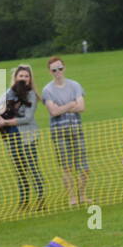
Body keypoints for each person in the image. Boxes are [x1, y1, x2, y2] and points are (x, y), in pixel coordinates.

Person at [42, 56, 90, 207]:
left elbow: (81, 107)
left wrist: (61, 107)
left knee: (83, 165)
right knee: (66, 166)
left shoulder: (75, 85)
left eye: (60, 69)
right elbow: (53, 112)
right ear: (49, 71)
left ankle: (82, 195)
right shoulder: (47, 90)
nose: (58, 72)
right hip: (59, 132)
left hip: (76, 129)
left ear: (64, 68)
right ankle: (72, 198)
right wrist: (71, 104)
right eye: (54, 70)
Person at [0, 64, 45, 210]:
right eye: (21, 76)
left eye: (26, 76)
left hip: (27, 135)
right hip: (11, 135)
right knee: (19, 169)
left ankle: (41, 200)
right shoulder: (8, 93)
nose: (23, 78)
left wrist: (7, 121)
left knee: (32, 167)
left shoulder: (31, 95)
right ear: (16, 77)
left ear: (30, 79)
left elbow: (28, 118)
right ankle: (24, 201)